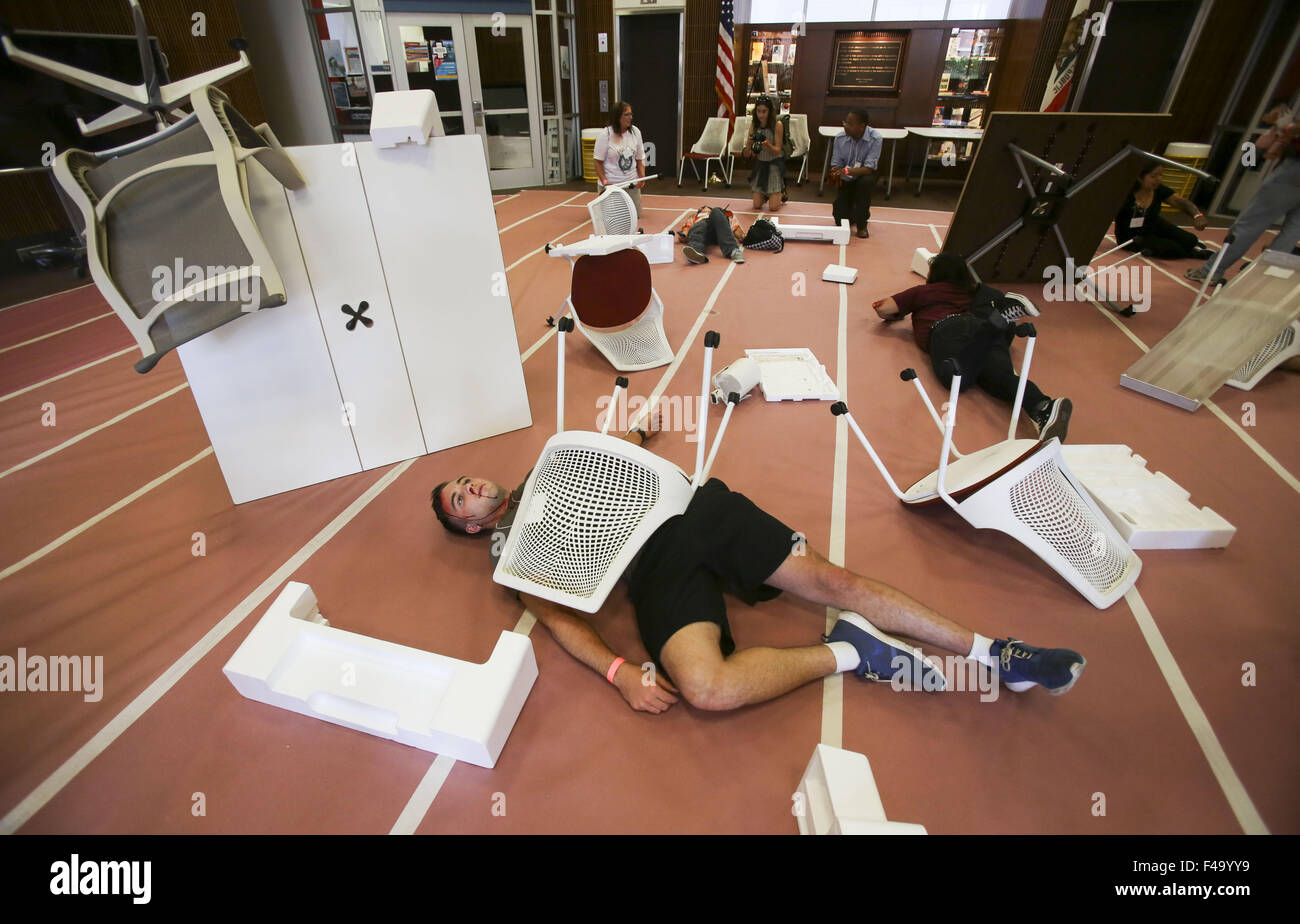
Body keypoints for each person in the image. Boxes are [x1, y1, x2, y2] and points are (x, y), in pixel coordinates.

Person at [430, 424, 1087, 714]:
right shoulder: (510, 560)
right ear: (469, 525)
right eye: (460, 498)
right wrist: (621, 672)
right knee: (707, 690)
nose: (471, 486)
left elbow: (620, 457)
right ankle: (850, 652)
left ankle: (997, 651)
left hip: (696, 511)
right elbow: (560, 622)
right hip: (654, 573)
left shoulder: (551, 464)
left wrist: (636, 431)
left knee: (837, 581)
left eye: (464, 479)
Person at [873, 252, 1073, 444]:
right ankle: (1044, 406)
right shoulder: (973, 291)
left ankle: (997, 322)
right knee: (1000, 380)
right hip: (980, 334)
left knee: (954, 378)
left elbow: (884, 309)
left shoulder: (924, 292)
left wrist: (899, 313)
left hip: (948, 330)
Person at [1188, 98, 1300, 284]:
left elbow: (1295, 129)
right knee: (1294, 229)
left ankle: (1210, 272)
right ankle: (1262, 280)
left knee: (1250, 223)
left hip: (1295, 168)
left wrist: (1285, 126)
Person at [1115, 162, 1211, 259]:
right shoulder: (1124, 193)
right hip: (1131, 236)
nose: (1158, 179)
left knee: (1191, 240)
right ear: (1139, 177)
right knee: (1173, 249)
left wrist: (1197, 215)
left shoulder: (1159, 189)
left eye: (1160, 175)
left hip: (1153, 224)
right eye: (1153, 176)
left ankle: (1187, 247)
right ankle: (1192, 254)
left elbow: (1179, 201)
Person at [829, 110, 881, 239]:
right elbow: (836, 162)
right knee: (840, 219)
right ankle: (851, 211)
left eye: (850, 124)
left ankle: (862, 225)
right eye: (845, 122)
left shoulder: (875, 138)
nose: (845, 126)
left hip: (864, 175)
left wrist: (846, 171)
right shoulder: (840, 138)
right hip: (846, 176)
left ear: (862, 126)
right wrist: (835, 172)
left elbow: (869, 168)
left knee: (864, 185)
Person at [593, 100, 647, 219]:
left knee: (634, 216)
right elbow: (597, 162)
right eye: (626, 114)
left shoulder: (635, 132)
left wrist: (641, 177)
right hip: (611, 185)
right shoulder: (605, 135)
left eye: (631, 114)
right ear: (617, 116)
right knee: (613, 220)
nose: (630, 117)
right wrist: (605, 182)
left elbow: (640, 158)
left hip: (631, 184)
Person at [743, 97, 786, 213]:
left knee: (773, 207)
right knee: (756, 205)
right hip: (761, 164)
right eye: (758, 111)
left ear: (770, 111)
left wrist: (767, 144)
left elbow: (777, 150)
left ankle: (781, 192)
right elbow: (747, 152)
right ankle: (767, 194)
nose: (761, 115)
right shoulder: (754, 125)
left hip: (774, 164)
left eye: (764, 111)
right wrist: (749, 145)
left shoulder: (777, 124)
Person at [678, 205, 746, 264]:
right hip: (704, 234)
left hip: (721, 232)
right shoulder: (694, 217)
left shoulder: (723, 214)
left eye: (705, 208)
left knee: (716, 210)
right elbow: (686, 230)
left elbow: (738, 230)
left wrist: (742, 236)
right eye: (702, 209)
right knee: (701, 224)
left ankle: (733, 251)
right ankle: (695, 252)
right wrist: (683, 235)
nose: (703, 208)